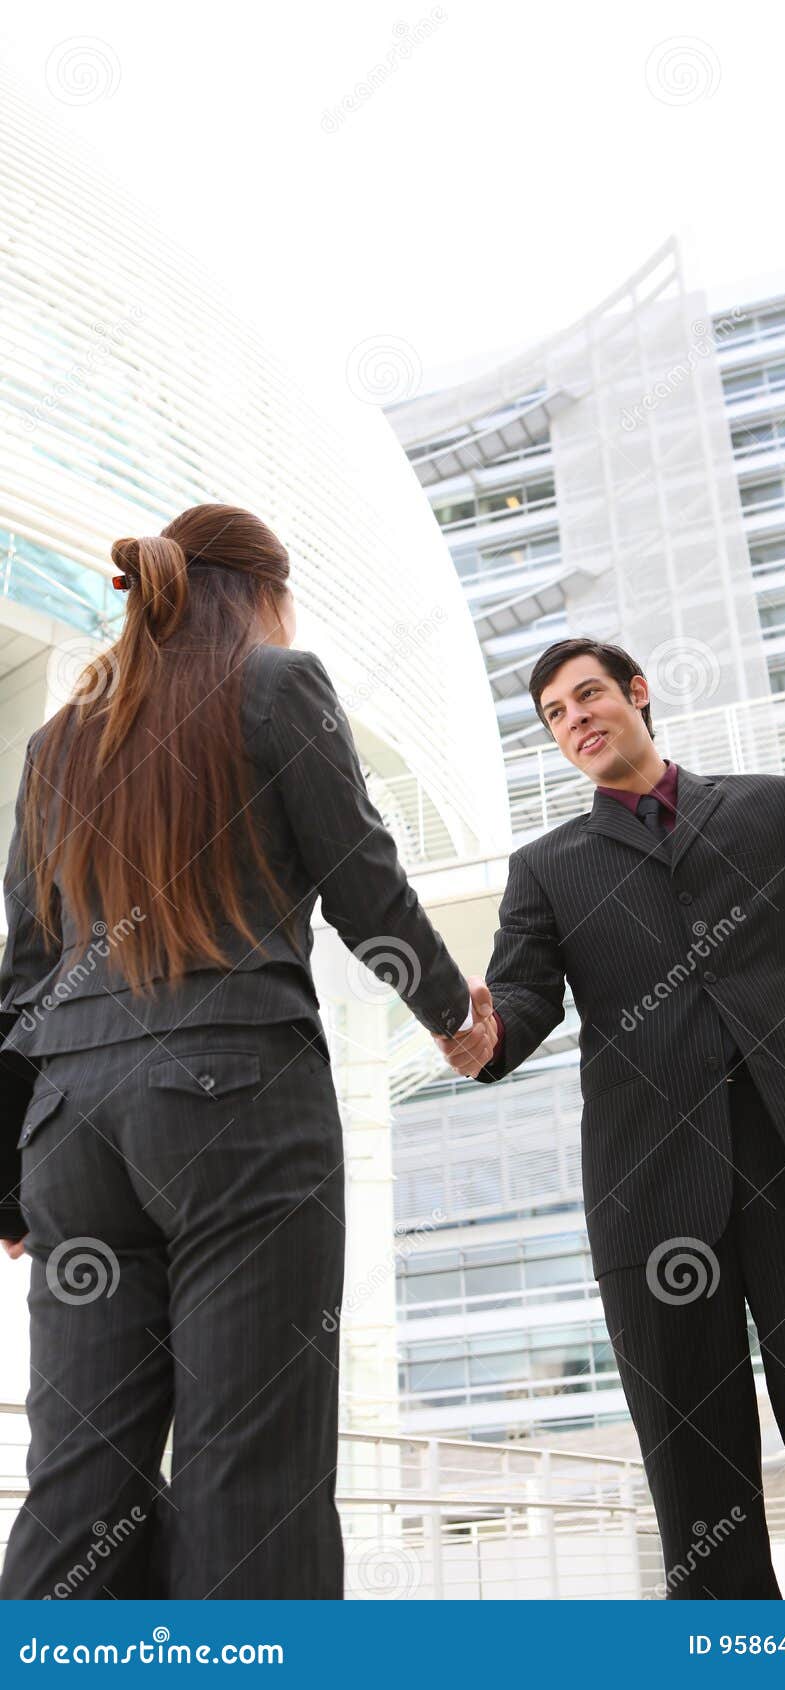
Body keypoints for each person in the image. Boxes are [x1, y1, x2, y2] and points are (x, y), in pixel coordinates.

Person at [0, 503, 492, 1599]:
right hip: (236, 1112)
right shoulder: (275, 683)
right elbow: (361, 878)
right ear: (262, 592)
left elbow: (25, 973)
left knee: (80, 1479)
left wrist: (9, 1189)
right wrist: (455, 1014)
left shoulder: (56, 744)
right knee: (247, 1465)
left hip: (74, 1137)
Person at [435, 636, 785, 1601]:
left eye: (589, 696)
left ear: (637, 695)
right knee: (694, 1480)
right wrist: (477, 1034)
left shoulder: (767, 810)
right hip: (653, 1199)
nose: (576, 718)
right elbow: (520, 1007)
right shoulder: (546, 869)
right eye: (555, 714)